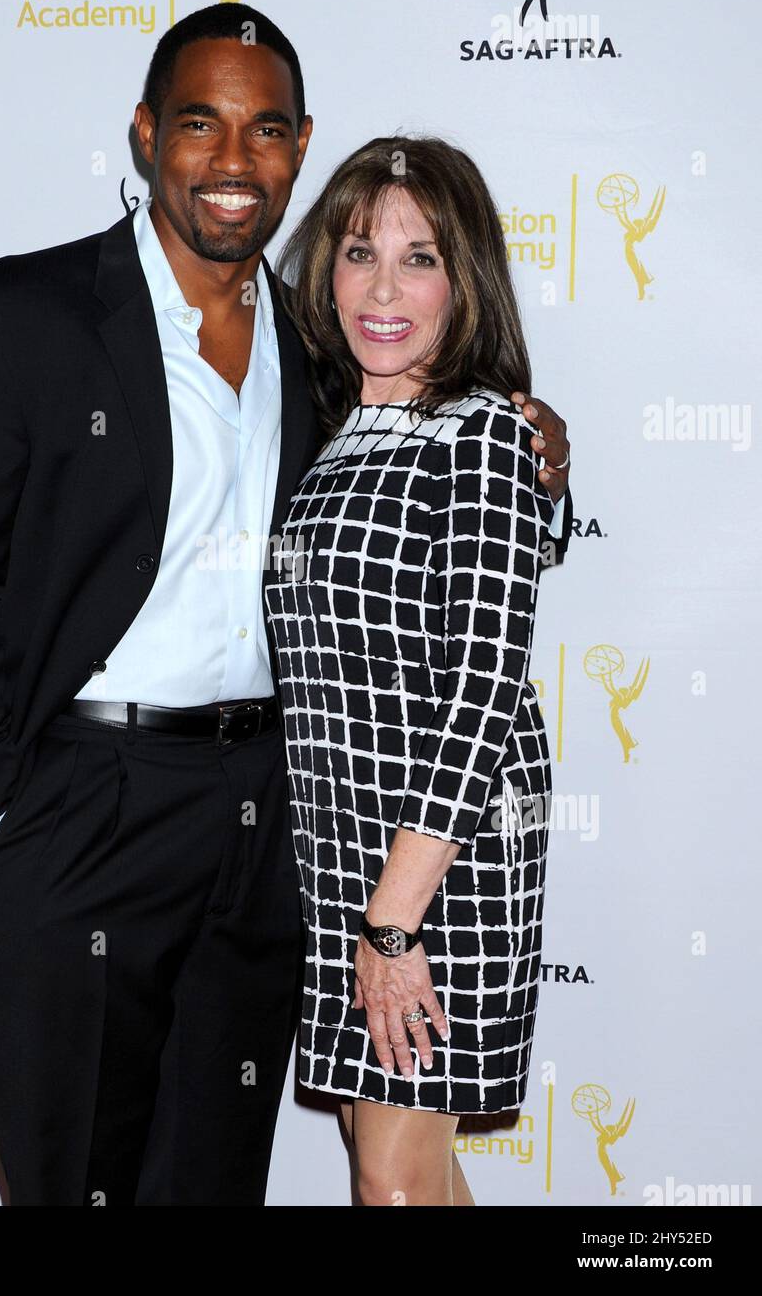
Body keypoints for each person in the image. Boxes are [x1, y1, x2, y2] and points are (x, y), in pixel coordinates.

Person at [0, 4, 573, 1206]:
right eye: (201, 122)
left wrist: (534, 429)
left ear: (301, 149)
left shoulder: (325, 354)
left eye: (265, 130)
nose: (233, 159)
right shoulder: (11, 317)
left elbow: (454, 466)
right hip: (78, 808)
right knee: (75, 1177)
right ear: (148, 134)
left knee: (215, 1177)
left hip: (273, 819)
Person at [266, 135, 566, 1206]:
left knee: (391, 1179)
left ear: (465, 277)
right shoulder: (330, 430)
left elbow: (482, 686)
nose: (384, 288)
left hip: (439, 863)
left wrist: (395, 923)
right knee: (406, 1165)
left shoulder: (481, 433)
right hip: (338, 853)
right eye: (359, 252)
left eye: (421, 257)